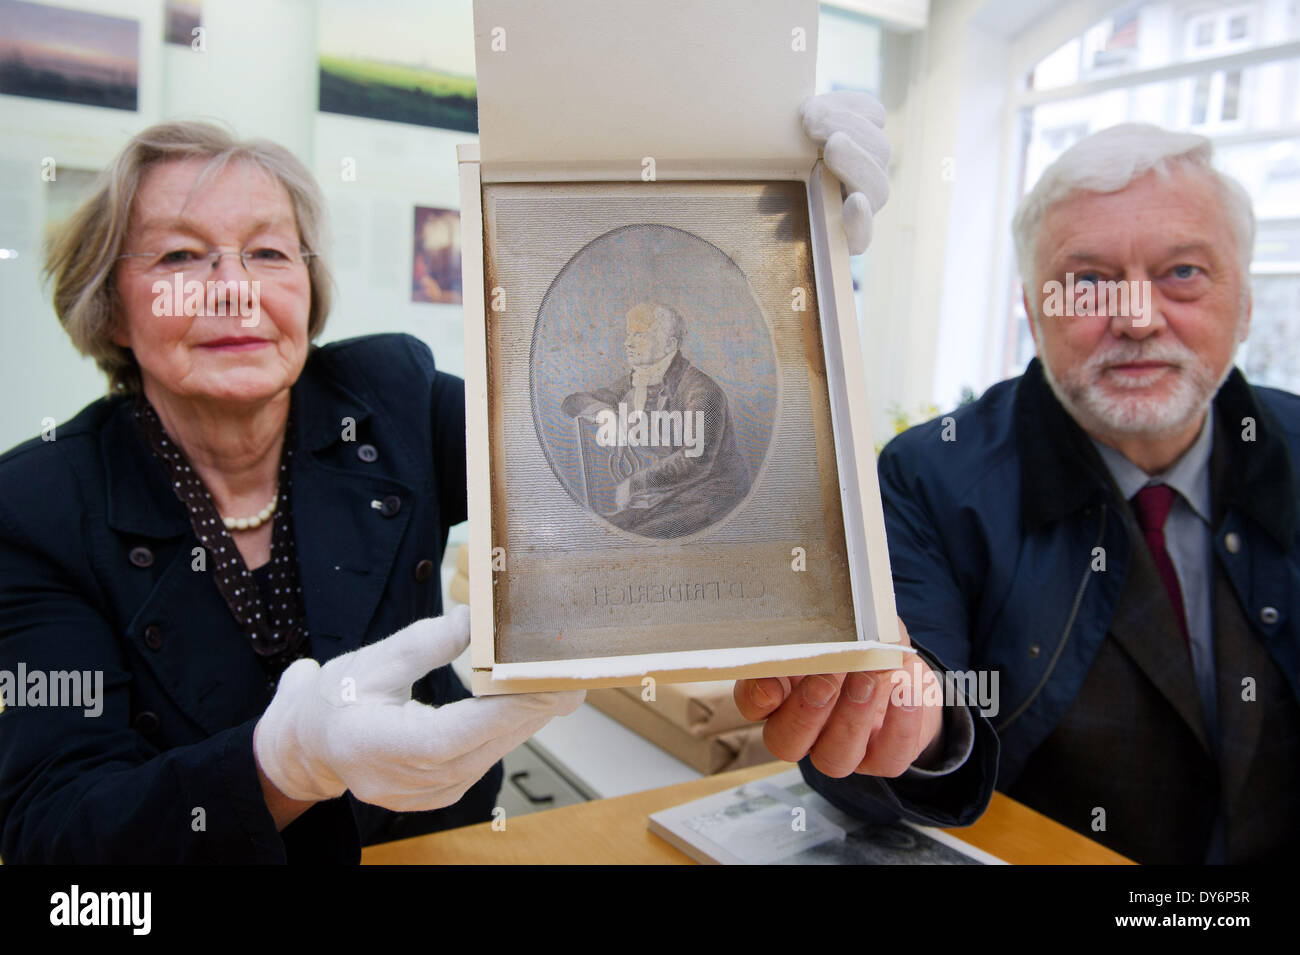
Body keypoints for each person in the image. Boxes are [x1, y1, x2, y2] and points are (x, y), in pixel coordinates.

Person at [0, 91, 889, 864]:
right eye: (180, 259)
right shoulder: (38, 504)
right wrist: (284, 764)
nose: (234, 290)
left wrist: (783, 260)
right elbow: (56, 846)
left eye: (269, 254)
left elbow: (608, 445)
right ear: (110, 305)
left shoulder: (391, 398)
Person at [740, 122, 1300, 865]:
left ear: (1247, 304)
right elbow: (909, 698)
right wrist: (916, 726)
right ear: (1034, 312)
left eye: (1184, 272)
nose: (1136, 317)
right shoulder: (928, 476)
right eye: (1088, 282)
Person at [561, 302, 750, 537]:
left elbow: (696, 461)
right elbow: (572, 402)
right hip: (662, 498)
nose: (627, 343)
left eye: (639, 335)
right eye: (628, 334)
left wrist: (636, 484)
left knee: (628, 537)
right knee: (597, 530)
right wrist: (604, 414)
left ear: (669, 344)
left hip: (709, 496)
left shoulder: (701, 391)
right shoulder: (635, 380)